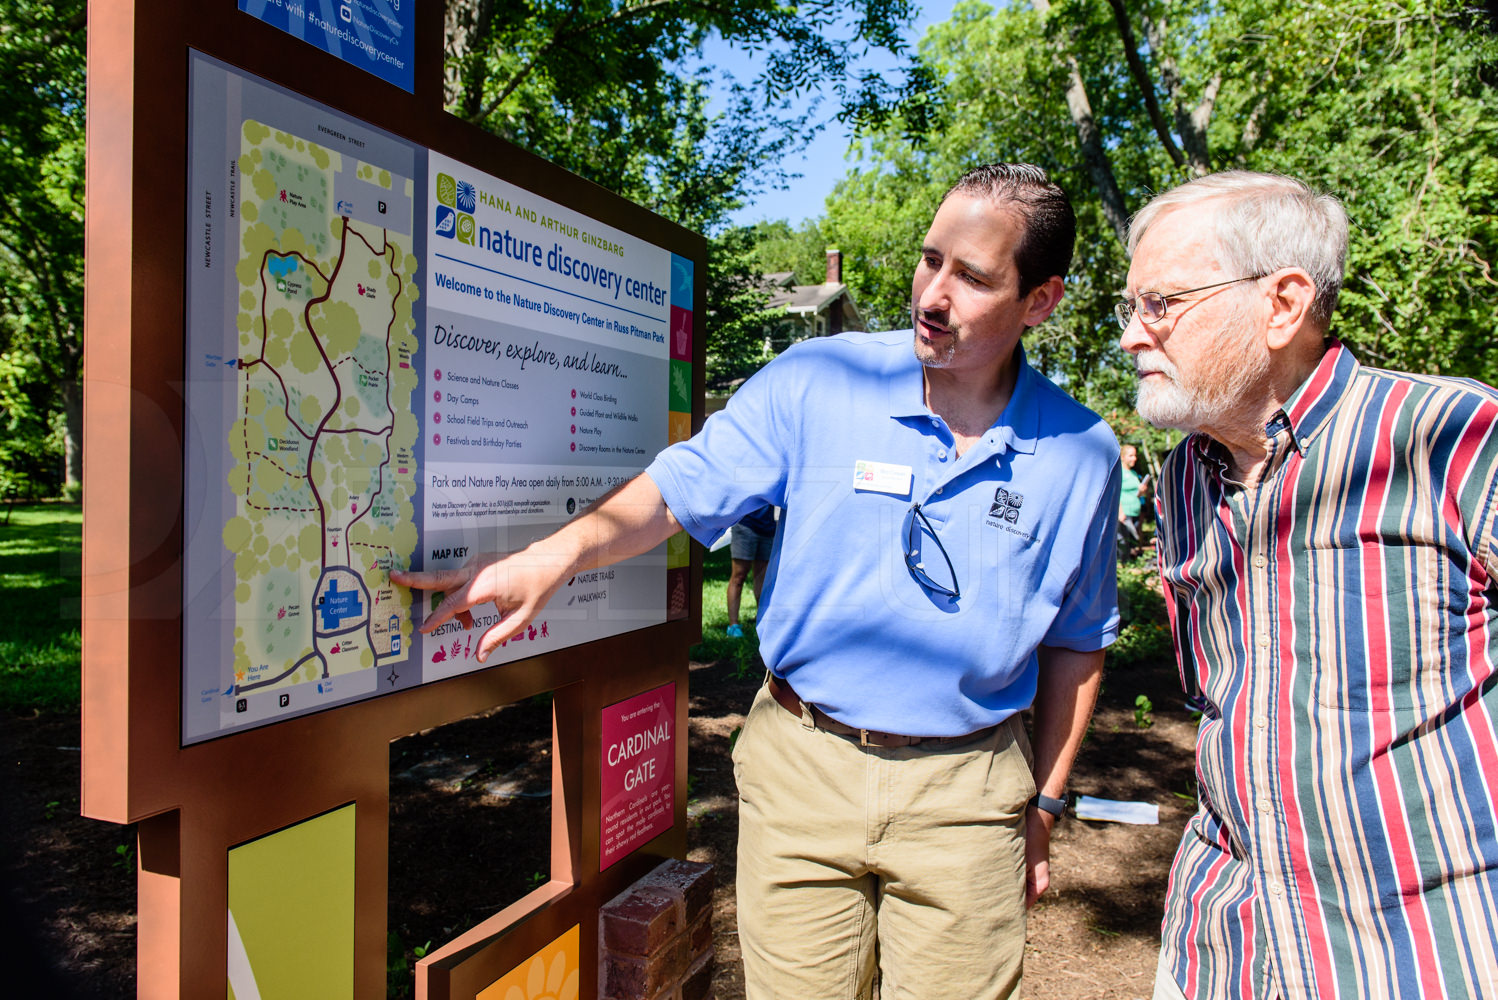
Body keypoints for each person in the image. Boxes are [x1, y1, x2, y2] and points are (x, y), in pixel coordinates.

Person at [394, 163, 1121, 999]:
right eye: (930, 260)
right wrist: (554, 554)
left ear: (1041, 300)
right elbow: (678, 490)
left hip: (970, 792)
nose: (932, 293)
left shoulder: (1082, 453)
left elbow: (1077, 642)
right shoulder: (818, 381)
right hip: (801, 767)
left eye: (974, 277)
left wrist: (1046, 804)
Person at [1118, 171, 1498, 1000]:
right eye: (1129, 308)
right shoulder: (1183, 482)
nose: (1131, 337)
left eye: (1160, 305)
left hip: (1424, 956)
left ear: (1282, 304)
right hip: (1224, 946)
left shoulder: (1455, 437)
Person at [725, 504, 775, 637]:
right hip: (745, 525)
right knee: (739, 576)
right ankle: (733, 625)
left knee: (762, 579)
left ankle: (762, 621)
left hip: (768, 528)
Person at [1116, 443, 1145, 556]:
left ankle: (1130, 565)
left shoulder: (1133, 473)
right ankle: (1123, 566)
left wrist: (1142, 491)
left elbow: (1135, 494)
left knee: (1133, 542)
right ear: (1123, 457)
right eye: (1131, 455)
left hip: (1135, 512)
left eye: (1135, 455)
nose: (1134, 458)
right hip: (1125, 513)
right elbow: (1116, 493)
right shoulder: (1119, 473)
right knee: (1124, 543)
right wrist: (1120, 512)